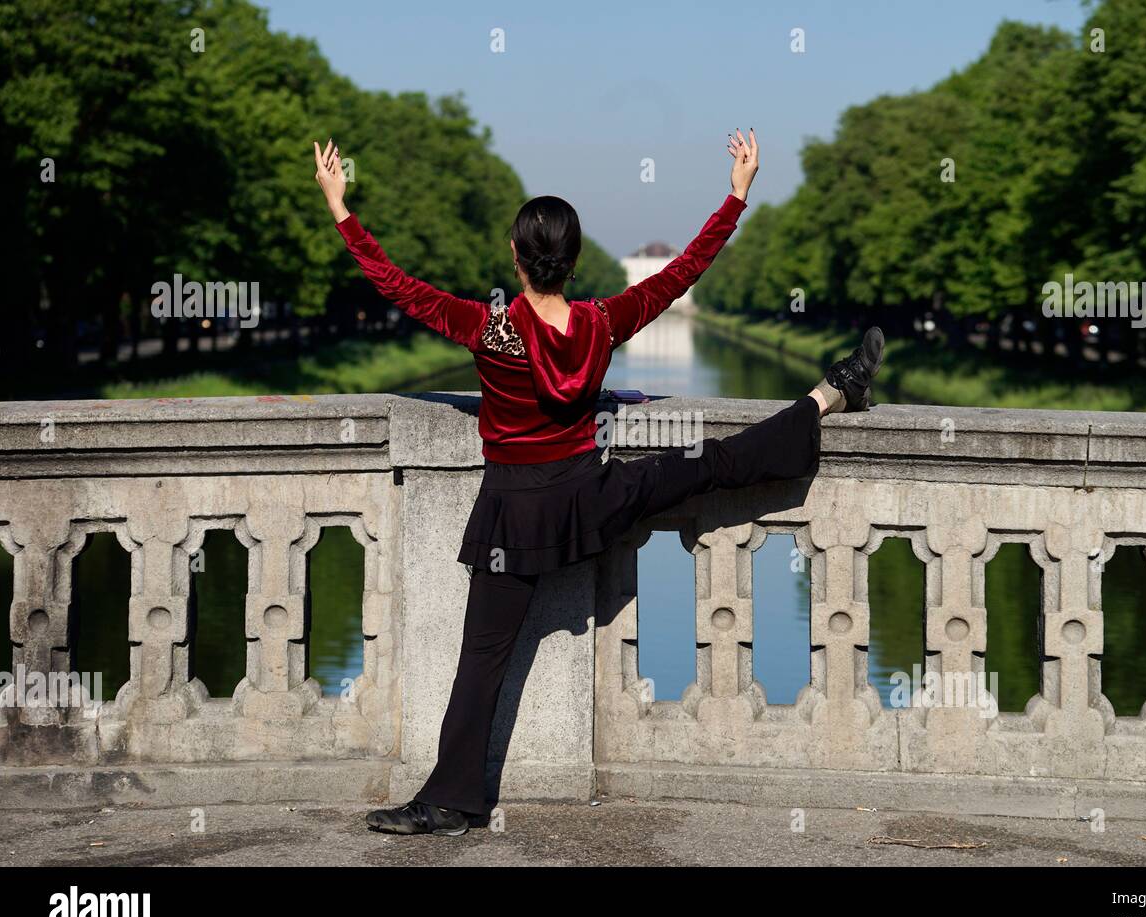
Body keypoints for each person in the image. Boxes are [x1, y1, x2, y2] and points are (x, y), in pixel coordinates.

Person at [311, 130, 884, 836]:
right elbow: (680, 276)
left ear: (516, 257)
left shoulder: (490, 331)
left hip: (513, 515)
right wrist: (735, 195)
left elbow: (397, 285)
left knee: (481, 661)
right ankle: (828, 397)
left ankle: (453, 801)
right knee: (711, 464)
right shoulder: (601, 323)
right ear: (574, 261)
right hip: (587, 497)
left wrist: (341, 208)